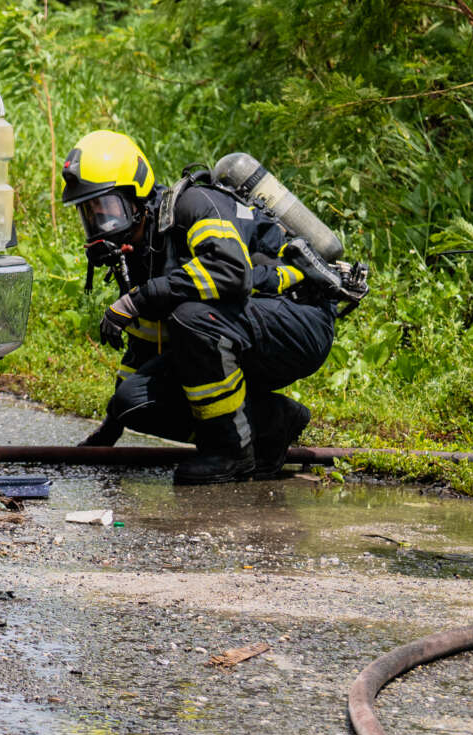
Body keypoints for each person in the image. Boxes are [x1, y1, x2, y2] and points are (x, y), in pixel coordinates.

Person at [62, 130, 335, 484]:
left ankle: (231, 452)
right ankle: (271, 424)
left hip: (298, 321)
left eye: (107, 210)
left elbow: (231, 273)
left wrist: (140, 297)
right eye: (90, 214)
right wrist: (110, 430)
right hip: (239, 328)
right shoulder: (142, 248)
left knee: (192, 318)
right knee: (133, 403)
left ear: (136, 195)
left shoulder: (193, 206)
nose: (101, 226)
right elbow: (146, 343)